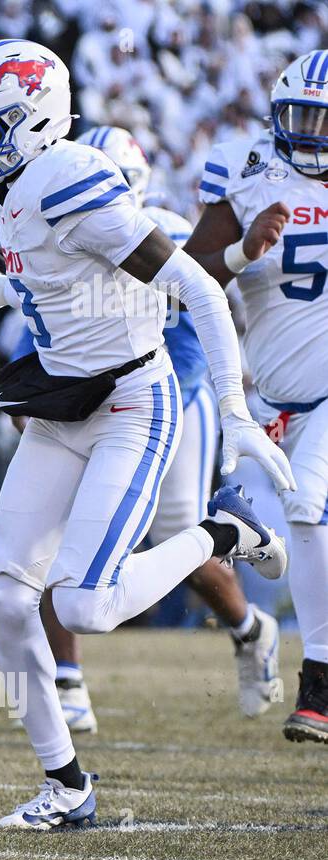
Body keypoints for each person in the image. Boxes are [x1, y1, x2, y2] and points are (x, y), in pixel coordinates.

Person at [0, 38, 294, 830]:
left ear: (31, 123)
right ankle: (66, 787)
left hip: (134, 402)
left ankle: (220, 531)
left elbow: (200, 292)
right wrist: (11, 288)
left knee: (86, 602)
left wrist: (234, 410)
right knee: (4, 595)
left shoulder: (71, 182)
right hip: (65, 404)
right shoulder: (16, 179)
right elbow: (65, 273)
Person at [6, 125, 280, 734]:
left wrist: (237, 256)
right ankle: (69, 680)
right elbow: (46, 317)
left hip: (167, 399)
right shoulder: (45, 220)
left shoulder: (154, 226)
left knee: (175, 535)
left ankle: (247, 626)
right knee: (51, 541)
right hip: (84, 403)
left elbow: (198, 278)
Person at [184, 50, 328, 745]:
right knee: (212, 525)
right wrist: (241, 252)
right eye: (298, 116)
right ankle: (260, 635)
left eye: (321, 119)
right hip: (270, 394)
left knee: (306, 505)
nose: (308, 133)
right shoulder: (245, 172)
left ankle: (320, 687)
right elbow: (183, 272)